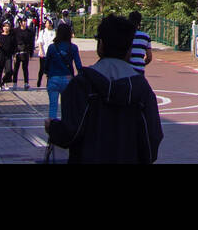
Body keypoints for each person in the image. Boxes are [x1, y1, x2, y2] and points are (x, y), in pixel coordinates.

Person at [44, 14, 162, 164]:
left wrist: (52, 128)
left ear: (101, 45)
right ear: (129, 49)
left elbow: (70, 133)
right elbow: (152, 138)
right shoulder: (141, 88)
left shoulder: (82, 83)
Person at [43, 21, 81, 120]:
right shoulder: (73, 47)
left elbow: (46, 64)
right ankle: (66, 129)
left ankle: (52, 129)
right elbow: (78, 66)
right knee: (67, 108)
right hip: (68, 79)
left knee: (53, 107)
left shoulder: (52, 47)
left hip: (54, 77)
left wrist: (48, 73)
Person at [14, 19, 35, 89]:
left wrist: (31, 53)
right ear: (20, 23)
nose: (25, 23)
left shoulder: (29, 31)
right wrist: (13, 52)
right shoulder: (16, 31)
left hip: (26, 50)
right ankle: (15, 82)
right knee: (16, 67)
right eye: (23, 21)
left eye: (25, 21)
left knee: (25, 67)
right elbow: (13, 41)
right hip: (17, 50)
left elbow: (32, 42)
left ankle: (26, 83)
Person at [34, 18, 54, 87]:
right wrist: (41, 51)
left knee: (50, 69)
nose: (47, 24)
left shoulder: (54, 32)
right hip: (44, 53)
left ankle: (48, 83)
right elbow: (40, 42)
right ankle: (39, 81)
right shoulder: (42, 32)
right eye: (46, 23)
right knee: (42, 69)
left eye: (48, 23)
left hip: (51, 54)